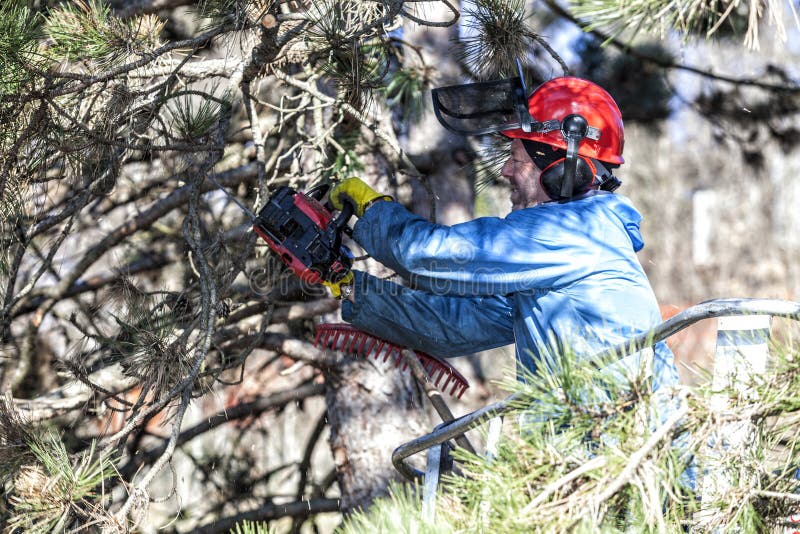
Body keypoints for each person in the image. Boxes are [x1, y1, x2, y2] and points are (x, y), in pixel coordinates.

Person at [325, 76, 680, 393]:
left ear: (562, 169)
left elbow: (426, 254)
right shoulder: (562, 255)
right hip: (586, 447)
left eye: (517, 158)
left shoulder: (572, 231)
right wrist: (350, 286)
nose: (506, 170)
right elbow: (453, 325)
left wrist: (373, 209)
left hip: (615, 450)